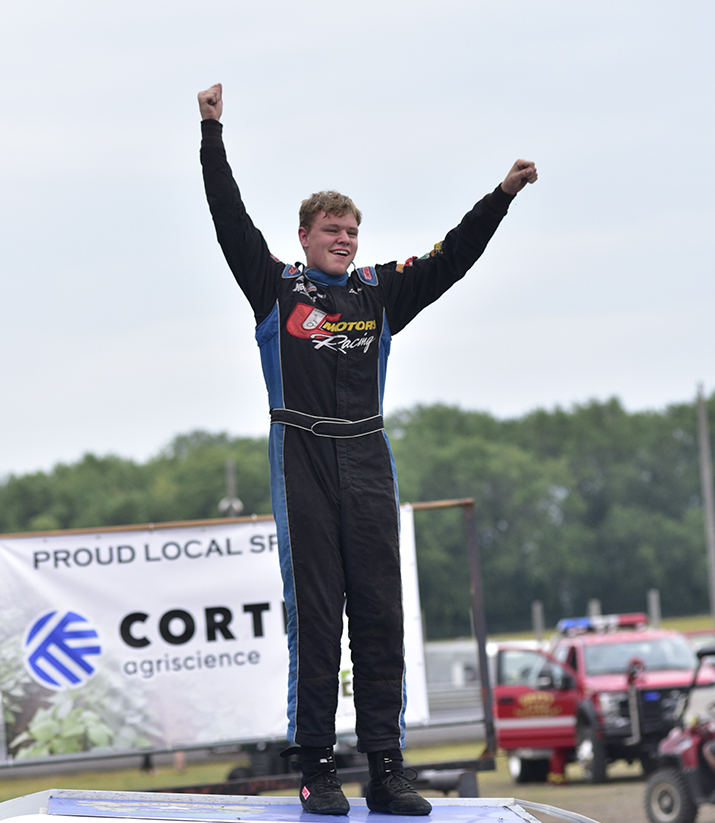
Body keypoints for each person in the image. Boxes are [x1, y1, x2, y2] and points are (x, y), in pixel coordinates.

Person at [197, 82, 537, 816]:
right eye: (330, 229)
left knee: (380, 612)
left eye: (351, 229)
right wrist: (211, 133)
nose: (344, 239)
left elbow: (452, 257)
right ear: (304, 238)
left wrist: (502, 195)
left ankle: (388, 766)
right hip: (302, 453)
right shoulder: (274, 290)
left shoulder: (379, 294)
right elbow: (230, 222)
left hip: (368, 455)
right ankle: (317, 767)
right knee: (317, 613)